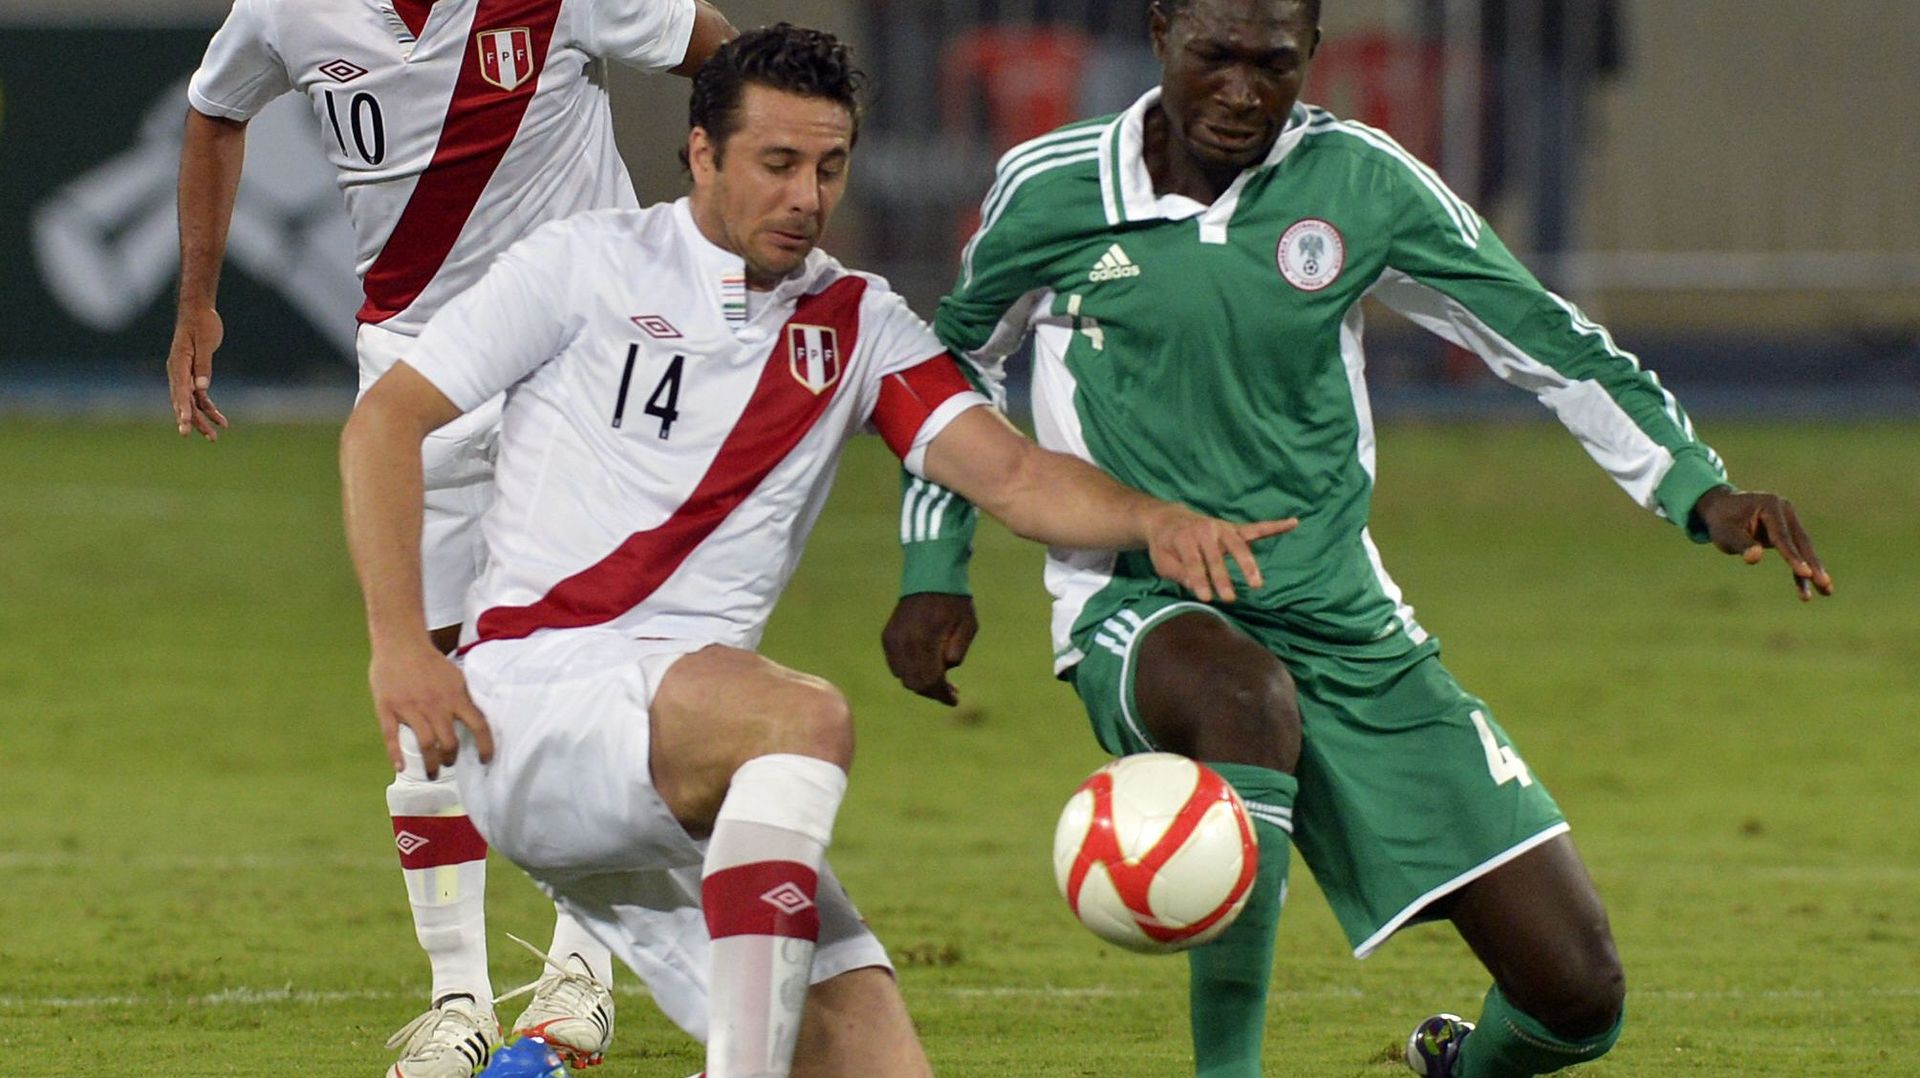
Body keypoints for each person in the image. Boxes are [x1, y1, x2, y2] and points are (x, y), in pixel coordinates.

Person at [881, 1, 1834, 1076]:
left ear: (1312, 57)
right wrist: (933, 565)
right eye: (1216, 58)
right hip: (1137, 602)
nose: (1243, 90)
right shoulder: (1050, 185)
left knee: (1577, 994)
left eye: (1274, 64)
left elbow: (1541, 335)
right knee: (1244, 701)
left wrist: (1697, 487)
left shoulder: (1361, 182)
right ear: (1160, 35)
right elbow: (947, 369)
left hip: (1339, 610)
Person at [340, 23, 1293, 1077]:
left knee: (879, 1060)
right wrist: (400, 646)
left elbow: (1015, 478)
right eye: (778, 163)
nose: (807, 195)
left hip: (689, 777)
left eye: (829, 167)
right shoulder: (584, 263)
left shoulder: (857, 322)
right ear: (702, 153)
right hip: (535, 699)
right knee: (803, 715)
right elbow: (384, 423)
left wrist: (1153, 518)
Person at [168, 0, 736, 1072]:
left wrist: (719, 189)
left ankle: (581, 973)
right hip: (419, 371)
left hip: (588, 356)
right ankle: (458, 1000)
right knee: (421, 679)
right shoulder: (289, 8)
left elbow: (719, 49)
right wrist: (197, 299)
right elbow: (213, 111)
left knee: (597, 666)